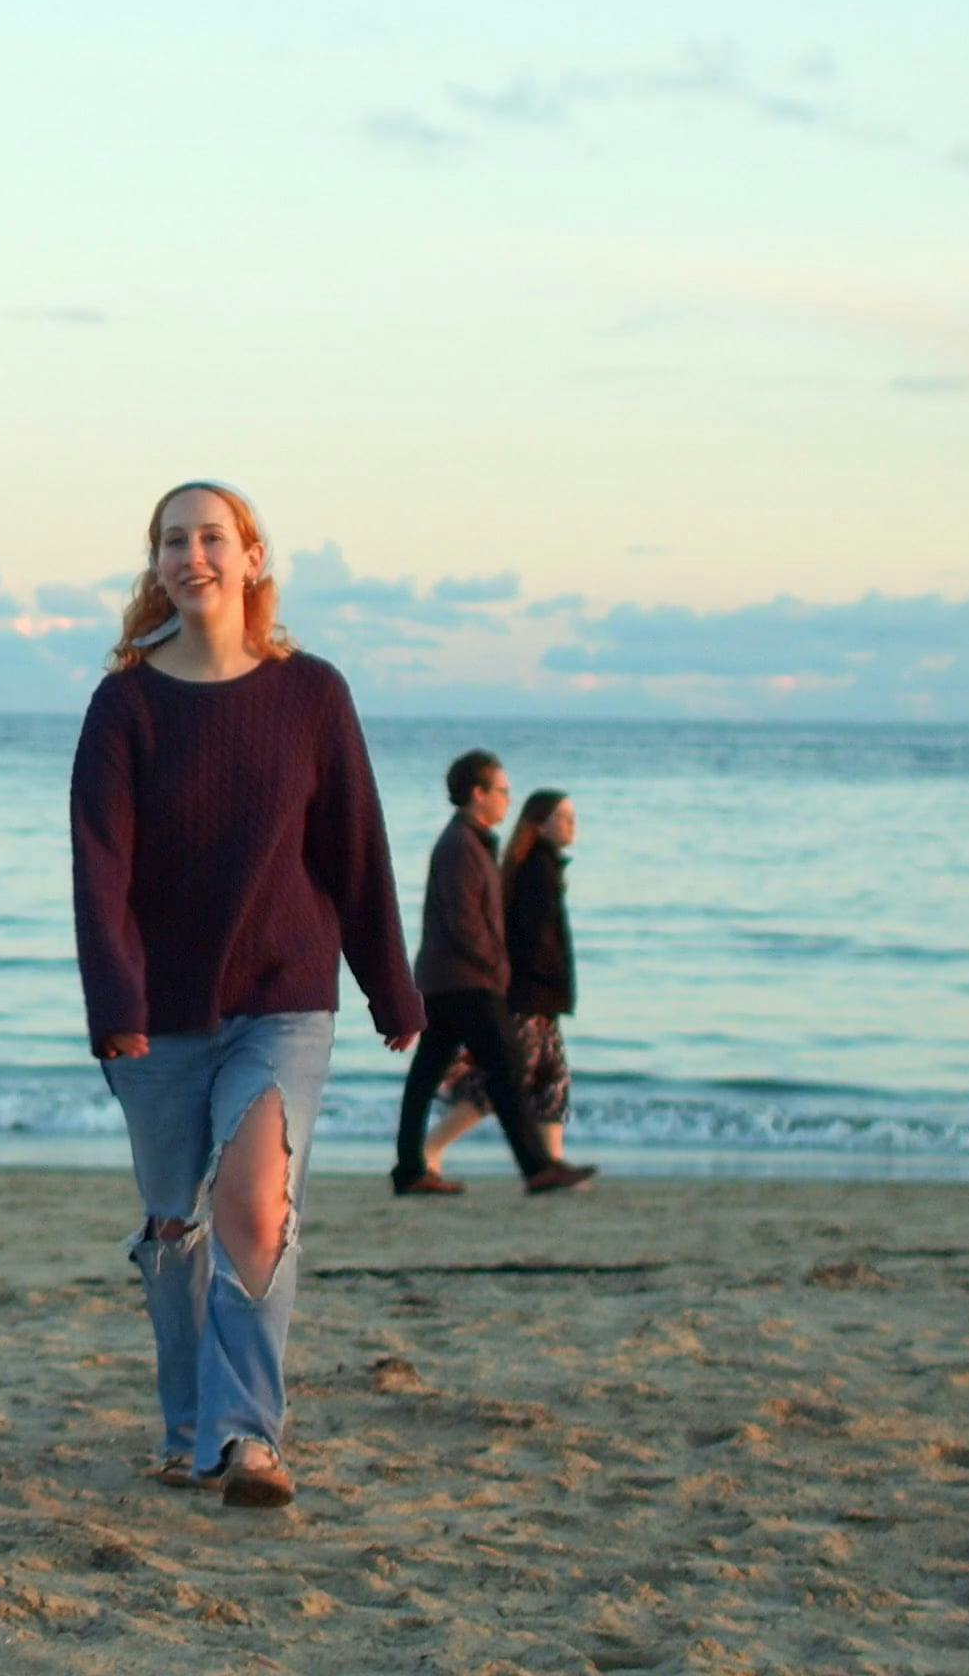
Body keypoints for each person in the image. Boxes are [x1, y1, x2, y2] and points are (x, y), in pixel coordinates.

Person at [69, 480, 418, 1508]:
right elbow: (100, 870)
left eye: (213, 537)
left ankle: (247, 1439)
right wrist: (116, 1006)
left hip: (282, 1000)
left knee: (255, 1209)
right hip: (159, 1011)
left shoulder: (312, 694)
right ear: (157, 564)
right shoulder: (125, 702)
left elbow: (356, 850)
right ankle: (188, 1427)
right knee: (176, 1225)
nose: (194, 556)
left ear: (255, 557)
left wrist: (391, 990)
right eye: (174, 541)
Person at [392, 752, 598, 1197]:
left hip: (451, 979)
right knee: (507, 1069)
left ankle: (412, 1168)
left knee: (430, 1074)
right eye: (502, 791)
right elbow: (465, 920)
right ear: (477, 794)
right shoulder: (461, 846)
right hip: (465, 981)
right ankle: (537, 1168)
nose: (509, 799)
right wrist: (497, 968)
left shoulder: (472, 841)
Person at [423, 789, 580, 1176]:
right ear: (539, 824)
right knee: (505, 1080)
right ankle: (430, 1149)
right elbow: (534, 940)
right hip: (527, 996)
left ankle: (552, 1164)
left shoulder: (541, 866)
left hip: (540, 998)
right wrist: (544, 980)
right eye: (563, 817)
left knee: (552, 1081)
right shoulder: (536, 871)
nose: (571, 825)